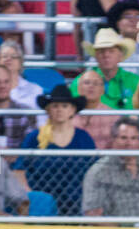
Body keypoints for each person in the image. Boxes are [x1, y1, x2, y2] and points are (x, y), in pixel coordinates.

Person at [13, 84, 96, 215]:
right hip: (41, 206)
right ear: (48, 110)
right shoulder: (34, 138)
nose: (59, 110)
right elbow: (19, 171)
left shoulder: (84, 138)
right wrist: (30, 197)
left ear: (72, 110)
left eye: (64, 106)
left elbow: (93, 172)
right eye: (55, 106)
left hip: (76, 203)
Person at [81, 117, 139, 219]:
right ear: (113, 140)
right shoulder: (98, 171)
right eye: (123, 138)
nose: (129, 143)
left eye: (134, 138)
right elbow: (92, 212)